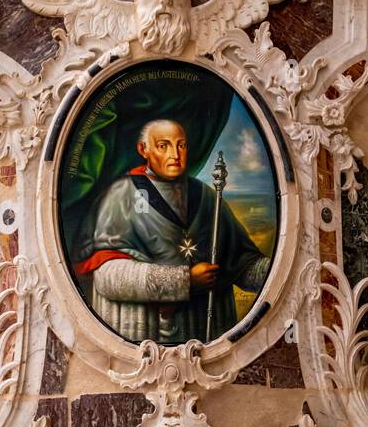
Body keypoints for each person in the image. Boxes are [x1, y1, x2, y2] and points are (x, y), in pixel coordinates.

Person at [73, 118, 270, 344]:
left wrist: (272, 273)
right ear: (143, 149)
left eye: (181, 145)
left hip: (203, 332)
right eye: (163, 146)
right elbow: (108, 277)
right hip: (148, 334)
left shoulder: (206, 196)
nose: (175, 155)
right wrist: (185, 280)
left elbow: (240, 263)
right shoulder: (120, 195)